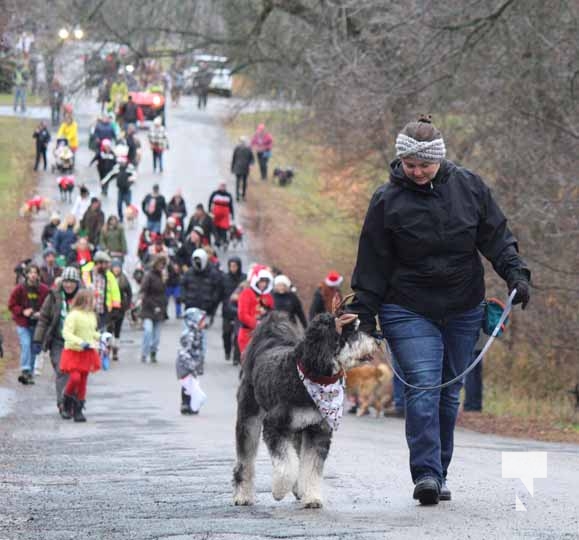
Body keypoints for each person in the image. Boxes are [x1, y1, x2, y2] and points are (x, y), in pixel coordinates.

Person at [349, 115, 531, 505]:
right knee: (424, 385)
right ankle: (426, 474)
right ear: (400, 161)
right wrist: (365, 316)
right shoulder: (387, 201)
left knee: (450, 394)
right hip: (407, 307)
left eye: (424, 165)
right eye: (409, 165)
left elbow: (495, 237)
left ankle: (440, 470)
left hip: (463, 306)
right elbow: (372, 263)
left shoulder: (469, 187)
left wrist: (516, 273)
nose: (416, 172)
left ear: (439, 160)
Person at [33, 266, 81, 418]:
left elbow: (92, 317)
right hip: (58, 341)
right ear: (62, 282)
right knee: (62, 370)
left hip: (77, 342)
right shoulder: (54, 296)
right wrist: (38, 339)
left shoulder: (82, 298)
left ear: (77, 283)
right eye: (66, 281)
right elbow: (44, 319)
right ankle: (62, 404)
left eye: (72, 282)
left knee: (75, 374)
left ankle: (73, 401)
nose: (69, 285)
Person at [60, 289, 101, 422]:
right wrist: (80, 342)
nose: (95, 302)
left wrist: (101, 337)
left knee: (83, 381)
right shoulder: (73, 315)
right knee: (75, 378)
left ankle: (78, 409)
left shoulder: (91, 315)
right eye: (93, 299)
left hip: (87, 352)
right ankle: (66, 401)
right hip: (73, 351)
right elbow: (66, 333)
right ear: (85, 300)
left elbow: (91, 333)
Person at [8, 264, 50, 385]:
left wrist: (41, 313)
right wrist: (23, 311)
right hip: (23, 322)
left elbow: (49, 304)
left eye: (35, 273)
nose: (33, 275)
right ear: (26, 274)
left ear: (38, 275)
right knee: (26, 344)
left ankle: (29, 374)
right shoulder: (20, 289)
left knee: (33, 348)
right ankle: (25, 369)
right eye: (30, 272)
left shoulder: (44, 290)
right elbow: (11, 305)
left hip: (37, 324)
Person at [237, 266, 274, 356]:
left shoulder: (268, 296)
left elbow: (272, 312)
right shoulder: (246, 293)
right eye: (261, 282)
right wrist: (256, 323)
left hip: (263, 335)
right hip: (247, 334)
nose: (263, 285)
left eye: (265, 282)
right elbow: (242, 315)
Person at [176, 308, 207, 415]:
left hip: (193, 364)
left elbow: (200, 350)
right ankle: (185, 404)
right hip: (186, 365)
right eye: (201, 321)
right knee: (188, 385)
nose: (204, 323)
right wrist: (191, 364)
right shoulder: (189, 335)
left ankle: (192, 405)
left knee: (193, 385)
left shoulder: (198, 333)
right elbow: (184, 351)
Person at [81, 251, 121, 332]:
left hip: (103, 312)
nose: (107, 266)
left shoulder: (109, 275)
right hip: (88, 311)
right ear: (98, 263)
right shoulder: (86, 273)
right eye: (105, 264)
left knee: (101, 337)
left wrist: (115, 309)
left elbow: (115, 292)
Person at [140, 254, 168, 363]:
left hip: (160, 308)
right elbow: (144, 292)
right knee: (148, 331)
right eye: (160, 264)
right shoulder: (149, 276)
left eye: (163, 265)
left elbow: (164, 293)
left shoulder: (164, 276)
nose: (161, 266)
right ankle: (144, 353)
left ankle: (153, 352)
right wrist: (152, 305)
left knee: (156, 336)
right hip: (148, 307)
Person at [180, 249, 223, 320]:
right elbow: (183, 285)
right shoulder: (189, 273)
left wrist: (213, 301)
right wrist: (184, 298)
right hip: (191, 307)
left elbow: (218, 288)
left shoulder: (213, 273)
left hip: (206, 309)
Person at [221, 257, 246, 362]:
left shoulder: (244, 278)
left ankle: (236, 357)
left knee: (238, 335)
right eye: (231, 266)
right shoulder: (224, 278)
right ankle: (227, 351)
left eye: (235, 266)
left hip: (241, 311)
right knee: (226, 333)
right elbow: (219, 293)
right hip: (227, 311)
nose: (233, 268)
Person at [101, 149, 136, 219]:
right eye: (120, 162)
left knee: (128, 204)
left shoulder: (129, 168)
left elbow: (135, 175)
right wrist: (104, 181)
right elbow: (110, 175)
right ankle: (121, 218)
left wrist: (131, 179)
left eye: (122, 162)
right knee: (119, 205)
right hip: (120, 190)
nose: (121, 163)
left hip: (127, 189)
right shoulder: (117, 168)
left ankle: (131, 217)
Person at [110, 259, 132, 362]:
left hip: (120, 308)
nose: (116, 269)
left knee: (117, 329)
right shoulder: (108, 278)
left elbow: (129, 293)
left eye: (118, 267)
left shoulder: (124, 279)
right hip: (109, 307)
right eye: (115, 267)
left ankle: (115, 350)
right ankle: (107, 347)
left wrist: (127, 305)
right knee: (109, 328)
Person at [463, 331, 485, 412]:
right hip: (480, 334)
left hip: (472, 333)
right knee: (476, 370)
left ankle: (471, 405)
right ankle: (475, 405)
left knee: (471, 371)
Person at [208, 182, 234, 248]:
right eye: (221, 186)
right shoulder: (215, 193)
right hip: (216, 213)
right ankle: (218, 240)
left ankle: (224, 241)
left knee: (224, 228)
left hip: (225, 214)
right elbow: (210, 202)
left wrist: (232, 214)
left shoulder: (228, 195)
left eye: (224, 186)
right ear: (219, 186)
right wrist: (209, 211)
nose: (222, 187)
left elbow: (231, 205)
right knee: (216, 227)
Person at [231, 136, 254, 201]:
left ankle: (243, 195)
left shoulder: (248, 149)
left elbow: (252, 159)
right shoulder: (237, 148)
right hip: (238, 167)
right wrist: (232, 168)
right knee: (238, 182)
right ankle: (237, 196)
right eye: (241, 141)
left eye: (243, 142)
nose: (242, 143)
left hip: (245, 168)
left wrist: (251, 165)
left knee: (244, 182)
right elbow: (234, 158)